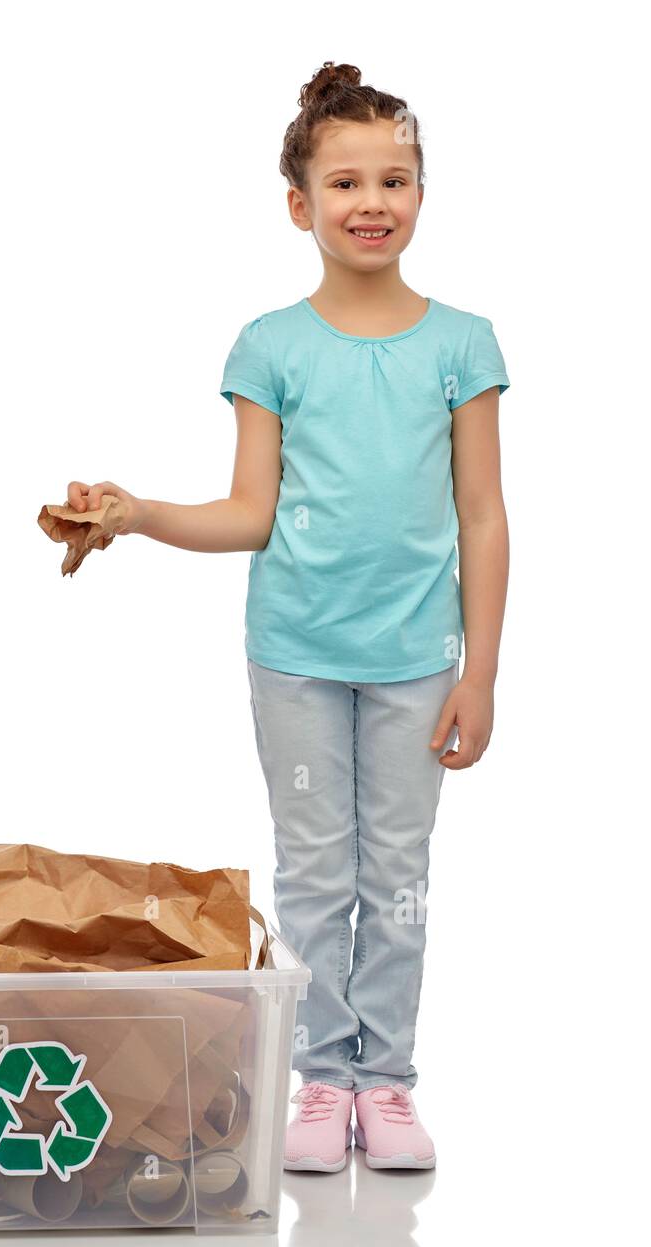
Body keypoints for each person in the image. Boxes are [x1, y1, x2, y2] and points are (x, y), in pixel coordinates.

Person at [64, 60, 510, 1173]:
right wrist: (138, 513)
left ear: (421, 192)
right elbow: (250, 514)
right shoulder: (270, 346)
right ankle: (321, 1078)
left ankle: (388, 1082)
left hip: (417, 662)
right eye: (347, 179)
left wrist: (482, 671)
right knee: (317, 871)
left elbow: (486, 519)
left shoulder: (463, 344)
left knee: (396, 874)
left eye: (395, 179)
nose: (373, 201)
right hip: (298, 661)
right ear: (300, 203)